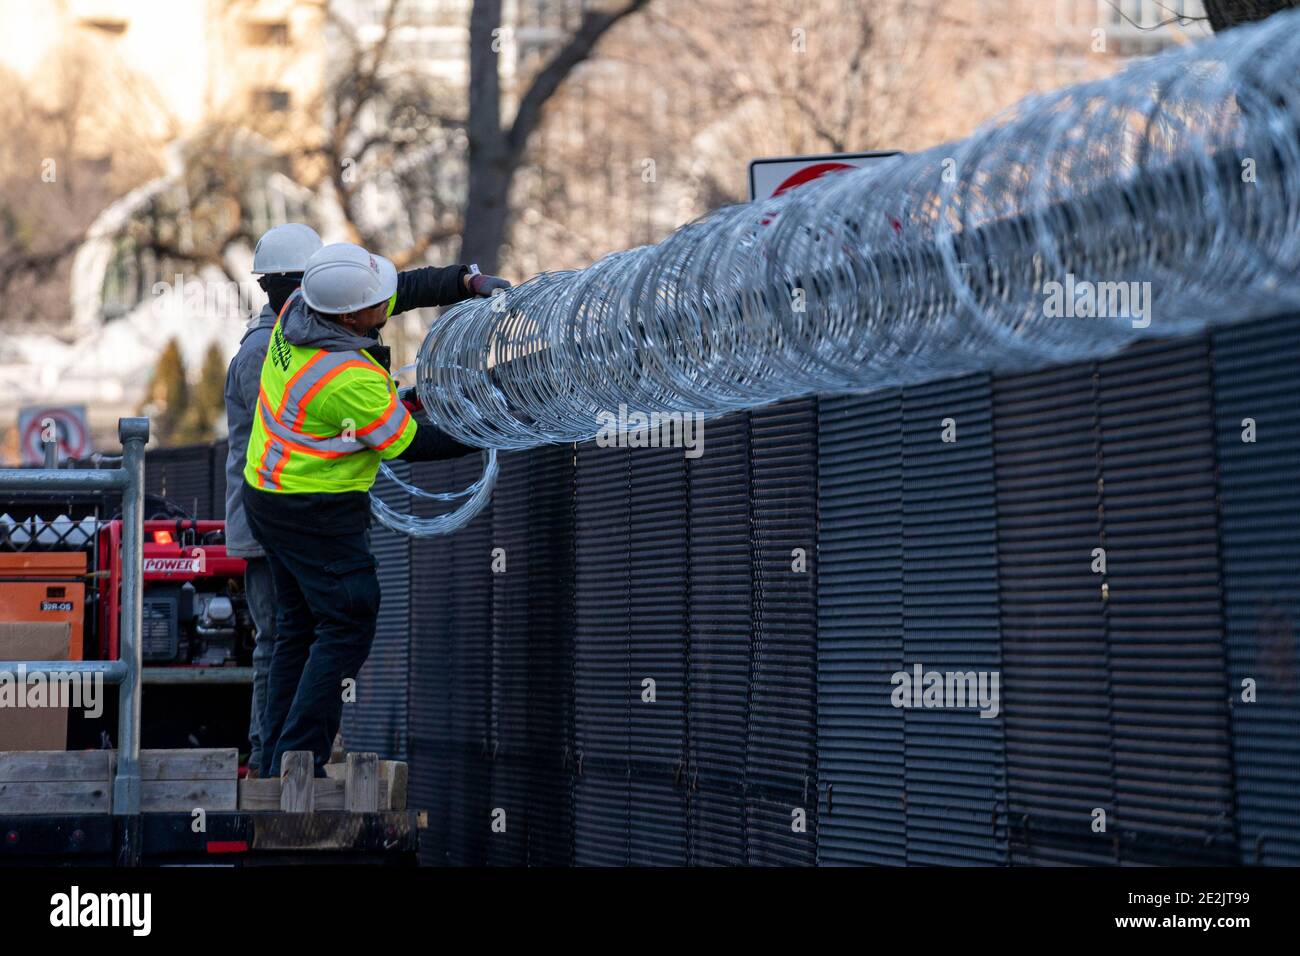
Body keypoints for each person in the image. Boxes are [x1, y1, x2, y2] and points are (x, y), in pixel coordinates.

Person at [242, 241, 509, 777]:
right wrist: (491, 426)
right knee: (348, 620)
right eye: (374, 304)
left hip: (268, 493)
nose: (386, 305)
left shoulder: (298, 307)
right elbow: (408, 444)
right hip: (312, 508)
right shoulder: (347, 378)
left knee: (299, 628)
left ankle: (275, 762)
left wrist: (462, 281)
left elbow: (393, 291)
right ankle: (300, 762)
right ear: (348, 317)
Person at [224, 223, 323, 776]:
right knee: (280, 642)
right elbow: (303, 422)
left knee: (290, 639)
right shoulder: (265, 353)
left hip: (272, 525)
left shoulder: (276, 345)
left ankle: (282, 757)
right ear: (299, 287)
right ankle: (269, 762)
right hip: (269, 530)